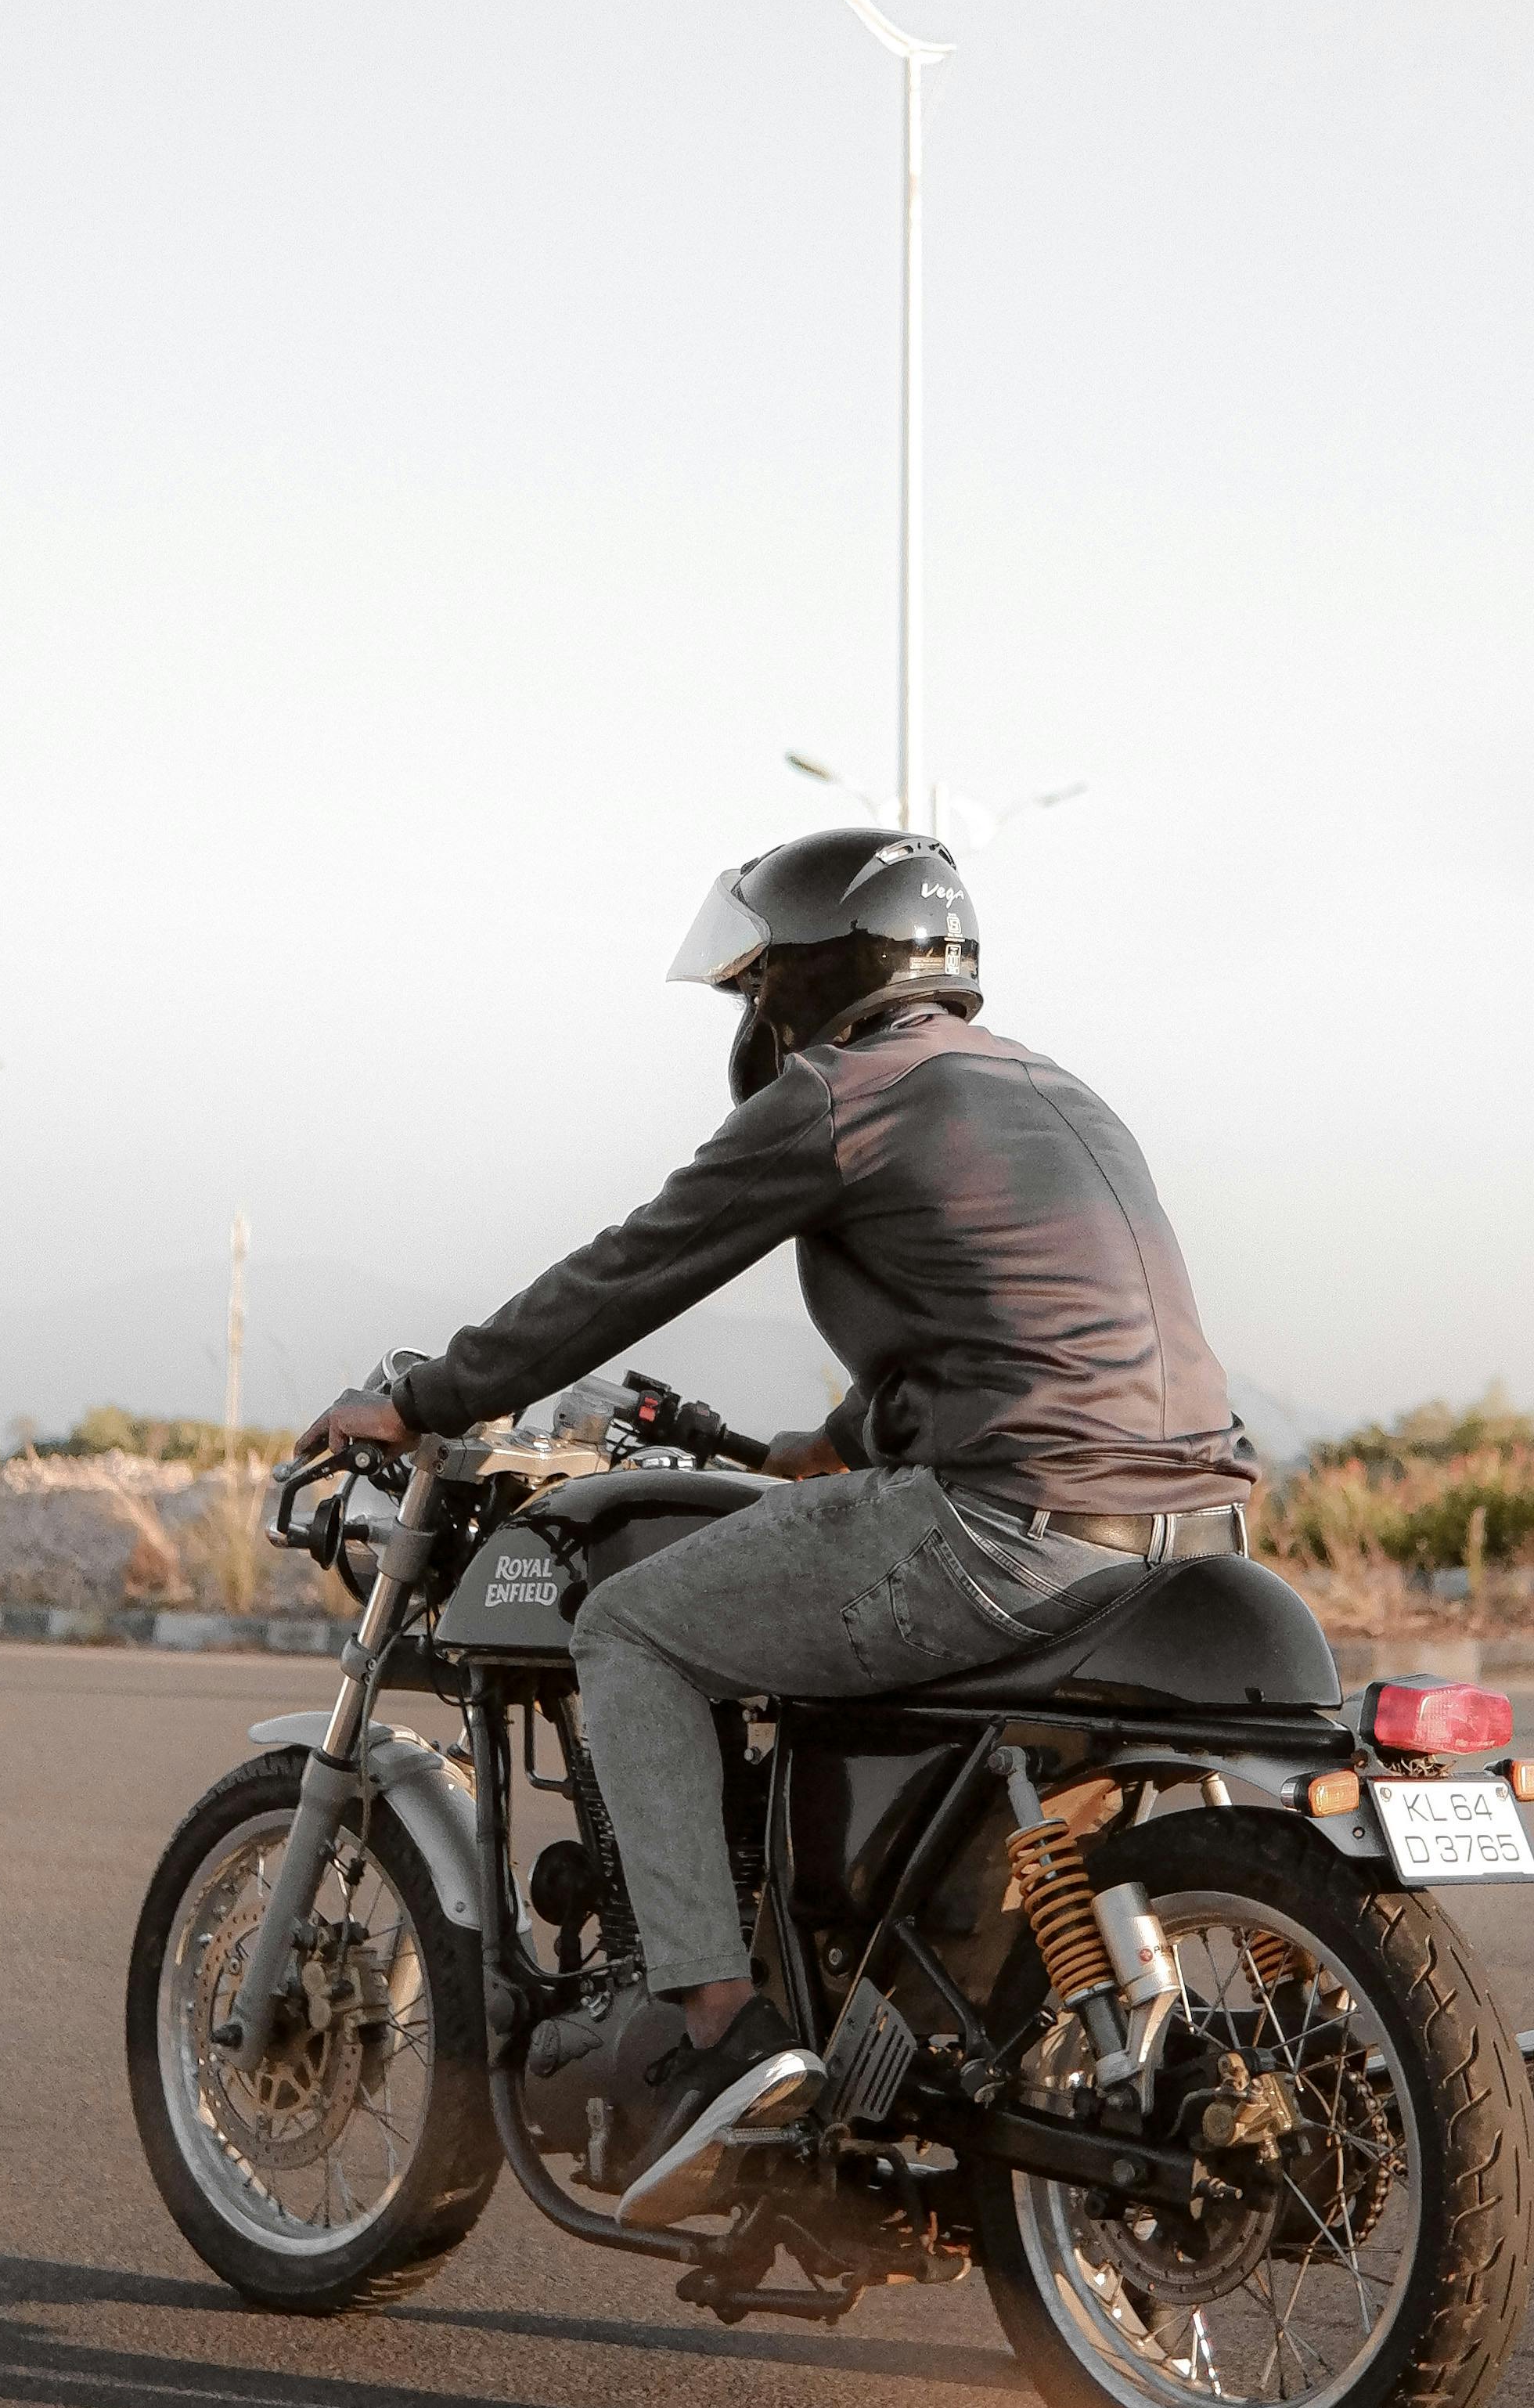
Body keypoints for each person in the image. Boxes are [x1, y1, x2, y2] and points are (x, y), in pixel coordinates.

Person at [297, 827, 1255, 2222]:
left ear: (810, 976)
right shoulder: (1056, 1092)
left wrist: (433, 1392)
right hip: (1190, 1527)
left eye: (756, 986)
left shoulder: (841, 1093)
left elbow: (635, 1266)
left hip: (1007, 1528)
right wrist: (848, 1442)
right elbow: (1038, 1330)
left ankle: (716, 2025)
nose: (752, 1018)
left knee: (627, 1623)